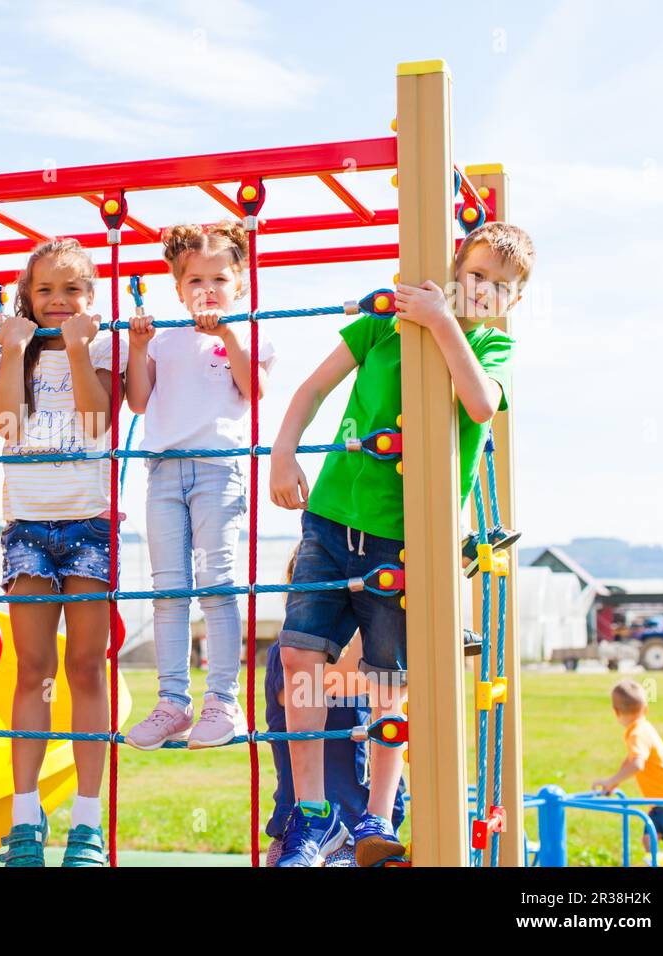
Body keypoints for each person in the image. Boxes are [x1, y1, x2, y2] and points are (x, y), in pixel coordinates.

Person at [268, 221, 535, 866]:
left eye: (501, 288)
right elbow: (310, 388)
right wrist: (282, 455)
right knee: (299, 664)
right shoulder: (382, 326)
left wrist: (445, 322)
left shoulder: (491, 350)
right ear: (451, 269)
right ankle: (311, 816)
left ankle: (375, 820)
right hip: (331, 519)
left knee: (389, 682)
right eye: (474, 275)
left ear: (515, 303)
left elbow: (477, 405)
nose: (484, 292)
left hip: (405, 540)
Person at [0, 238, 118, 867]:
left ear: (90, 296)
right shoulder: (13, 350)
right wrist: (10, 350)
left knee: (87, 668)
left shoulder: (102, 346)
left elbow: (99, 423)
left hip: (89, 526)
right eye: (45, 290)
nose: (59, 300)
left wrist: (76, 347)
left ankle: (87, 823)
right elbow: (6, 427)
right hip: (28, 531)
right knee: (33, 669)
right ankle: (23, 819)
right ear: (28, 297)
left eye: (72, 289)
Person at [123, 221, 275, 751]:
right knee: (168, 589)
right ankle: (172, 702)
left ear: (241, 284)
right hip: (162, 471)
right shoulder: (165, 339)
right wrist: (138, 349)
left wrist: (228, 334)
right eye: (194, 281)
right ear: (177, 286)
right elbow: (138, 402)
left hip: (217, 469)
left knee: (217, 583)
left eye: (219, 278)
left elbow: (252, 388)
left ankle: (223, 701)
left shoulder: (249, 332)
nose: (206, 290)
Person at [263, 547, 405, 865]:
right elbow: (340, 680)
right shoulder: (290, 658)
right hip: (304, 841)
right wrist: (381, 606)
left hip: (367, 834)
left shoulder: (381, 663)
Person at [593, 679, 663, 861]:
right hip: (660, 803)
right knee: (649, 840)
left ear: (615, 712)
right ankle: (660, 864)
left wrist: (609, 781)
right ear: (645, 709)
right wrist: (613, 783)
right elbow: (629, 761)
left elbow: (637, 764)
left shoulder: (637, 733)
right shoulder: (642, 728)